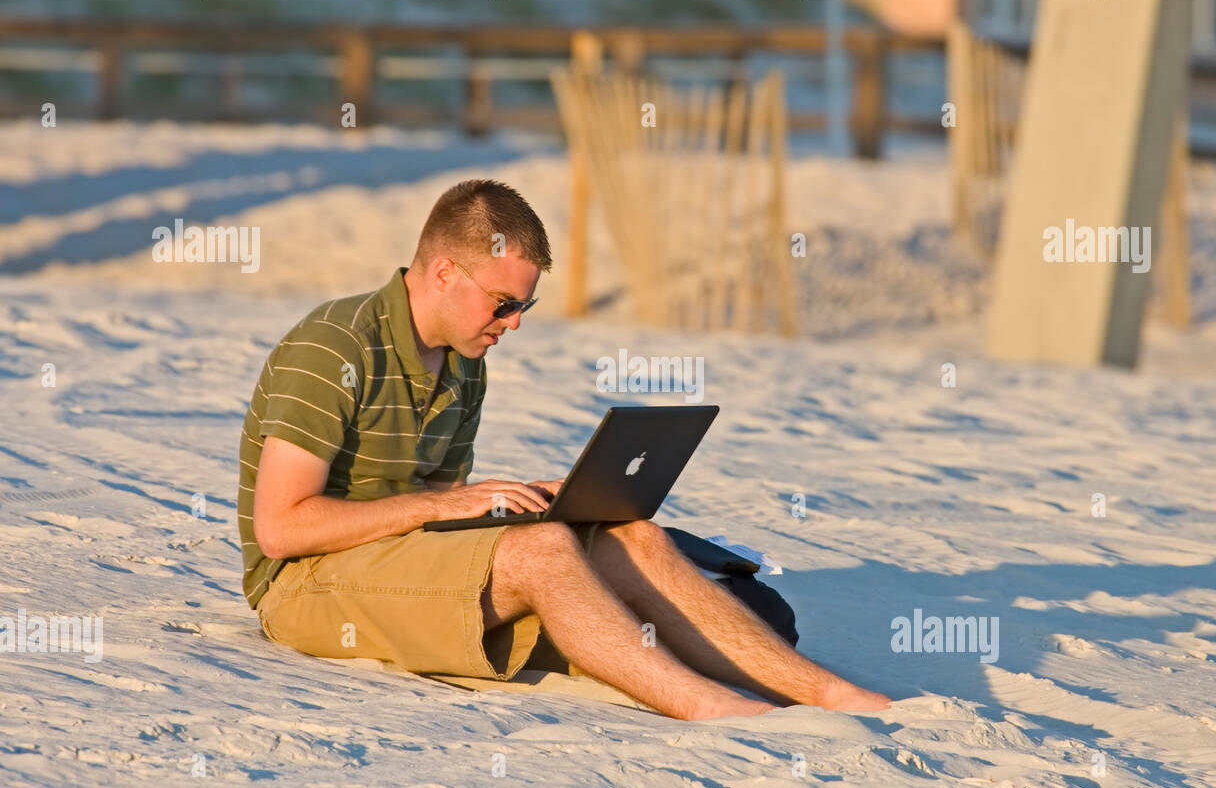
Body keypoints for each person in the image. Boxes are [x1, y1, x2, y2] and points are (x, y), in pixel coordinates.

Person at [238, 178, 890, 721]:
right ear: (443, 272)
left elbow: (431, 506)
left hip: (395, 562)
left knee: (633, 537)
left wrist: (525, 501)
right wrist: (454, 506)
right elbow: (281, 528)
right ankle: (711, 707)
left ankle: (828, 692)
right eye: (503, 303)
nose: (514, 322)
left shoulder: (465, 361)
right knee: (546, 554)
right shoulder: (335, 347)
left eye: (525, 304)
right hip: (305, 586)